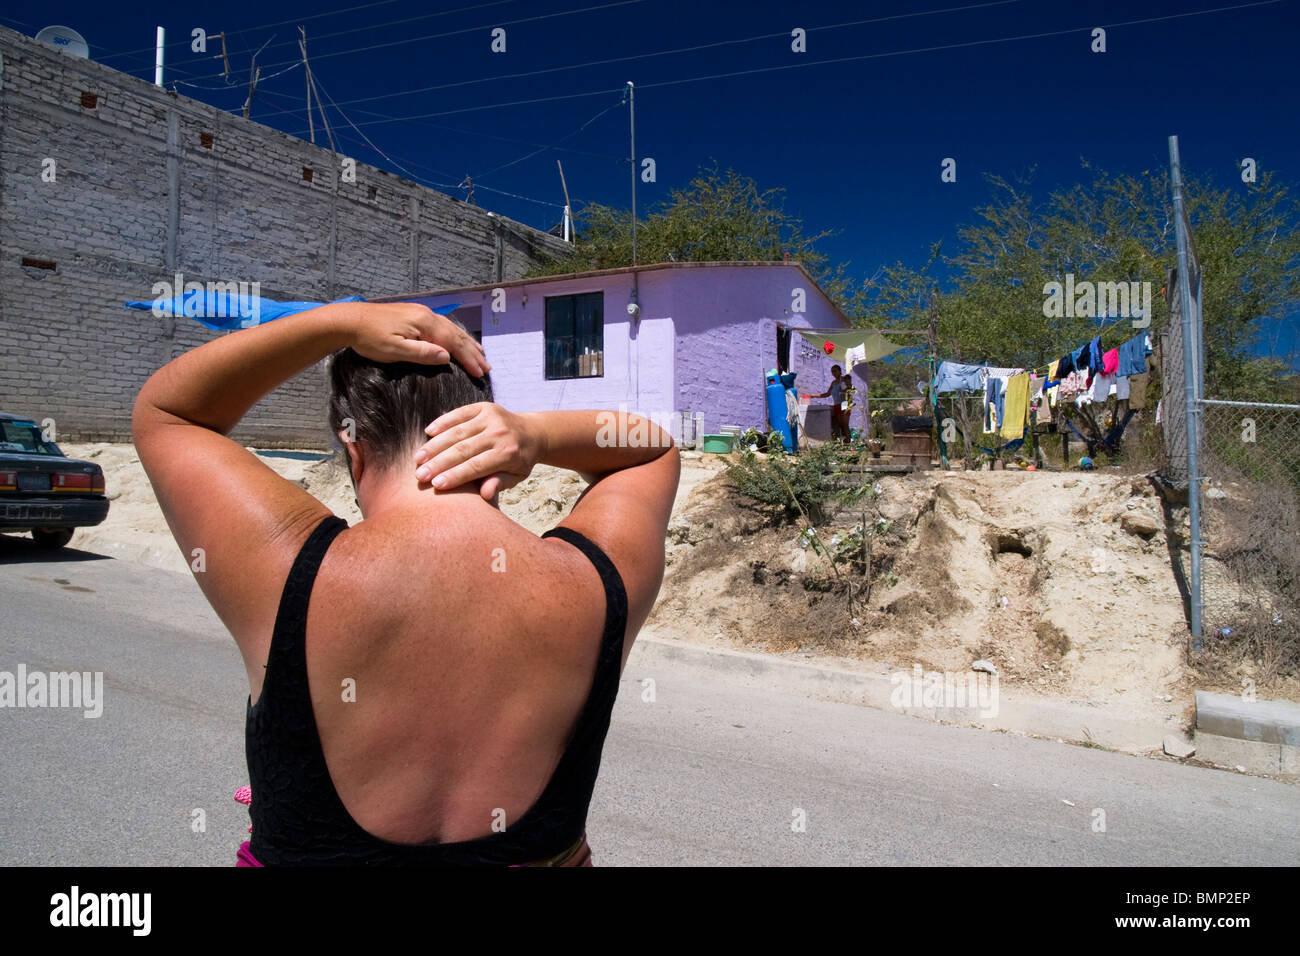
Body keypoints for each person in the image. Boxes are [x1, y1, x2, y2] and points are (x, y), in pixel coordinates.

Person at [132, 300, 680, 866]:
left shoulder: (291, 571)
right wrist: (538, 435)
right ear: (494, 439)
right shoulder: (592, 581)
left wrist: (338, 322)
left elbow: (170, 412)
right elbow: (652, 451)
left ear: (354, 450)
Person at [811, 365, 851, 441]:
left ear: (840, 371)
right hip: (836, 405)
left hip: (844, 404)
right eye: (832, 371)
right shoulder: (833, 383)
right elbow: (827, 394)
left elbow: (847, 390)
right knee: (840, 425)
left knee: (845, 425)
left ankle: (849, 444)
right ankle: (844, 444)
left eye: (835, 371)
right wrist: (813, 396)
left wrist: (844, 388)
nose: (834, 373)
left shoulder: (843, 380)